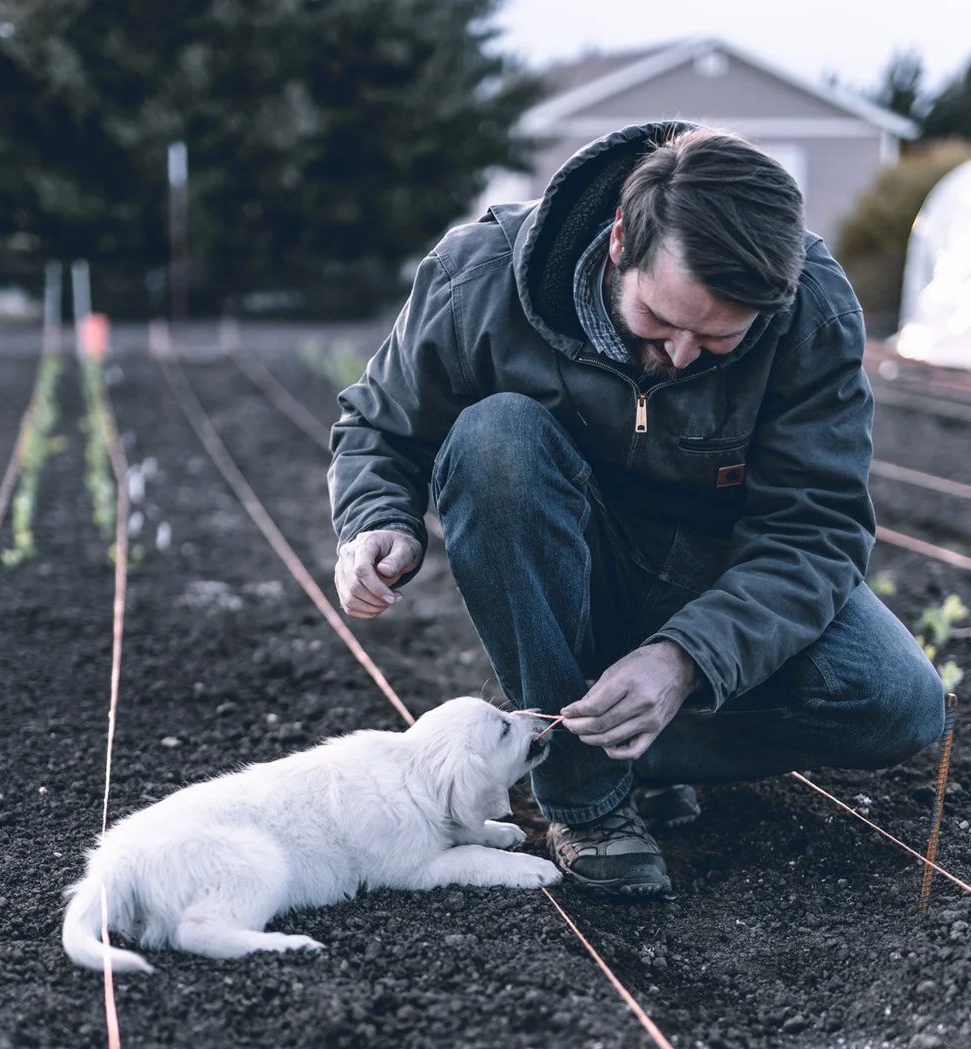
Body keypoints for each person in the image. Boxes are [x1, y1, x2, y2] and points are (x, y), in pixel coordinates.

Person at [328, 123, 945, 899]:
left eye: (717, 341)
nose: (681, 355)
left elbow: (814, 529)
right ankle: (585, 800)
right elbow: (381, 426)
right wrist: (377, 518)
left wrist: (687, 658)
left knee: (894, 701)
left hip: (710, 571)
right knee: (495, 440)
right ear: (620, 240)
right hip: (562, 561)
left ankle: (596, 745)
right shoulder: (478, 278)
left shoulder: (810, 313)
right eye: (660, 320)